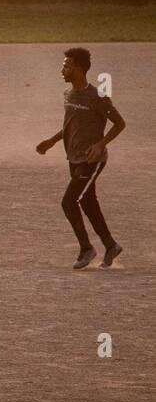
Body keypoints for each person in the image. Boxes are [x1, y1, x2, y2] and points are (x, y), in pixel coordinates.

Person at [36, 47, 126, 269]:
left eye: (66, 65)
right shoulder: (69, 94)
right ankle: (111, 245)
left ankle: (87, 248)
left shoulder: (98, 96)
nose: (62, 70)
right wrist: (53, 140)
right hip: (74, 157)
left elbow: (120, 123)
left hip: (92, 159)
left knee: (68, 202)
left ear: (78, 68)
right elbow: (70, 125)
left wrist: (100, 144)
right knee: (87, 202)